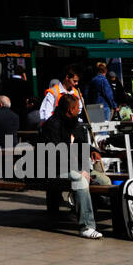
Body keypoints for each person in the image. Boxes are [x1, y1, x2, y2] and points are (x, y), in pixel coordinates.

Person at [40, 93, 106, 239]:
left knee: (104, 181)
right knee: (79, 181)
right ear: (70, 110)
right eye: (77, 108)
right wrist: (78, 171)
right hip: (53, 170)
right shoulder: (52, 125)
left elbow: (81, 143)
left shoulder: (73, 123)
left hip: (73, 167)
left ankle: (86, 210)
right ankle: (86, 226)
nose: (79, 110)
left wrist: (92, 150)